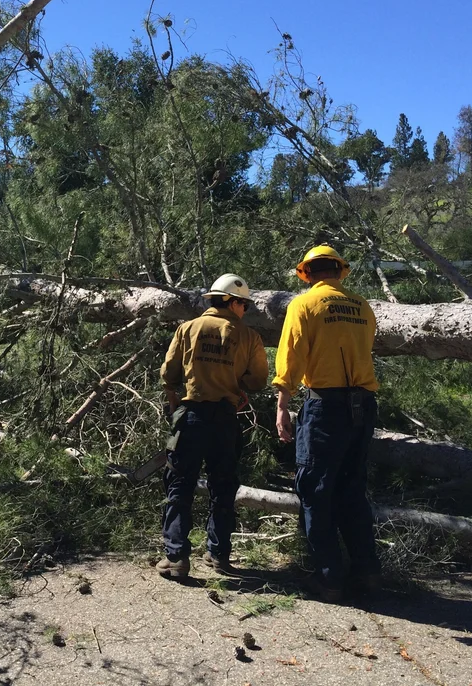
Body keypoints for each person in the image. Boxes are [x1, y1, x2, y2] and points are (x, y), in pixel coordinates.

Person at [273, 245, 381, 602]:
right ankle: (366, 572)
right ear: (339, 271)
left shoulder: (303, 305)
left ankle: (329, 578)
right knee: (352, 488)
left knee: (315, 490)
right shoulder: (362, 307)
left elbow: (291, 356)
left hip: (326, 408)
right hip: (363, 407)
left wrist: (283, 405)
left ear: (307, 273)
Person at [157, 273, 268, 579]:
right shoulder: (249, 337)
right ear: (233, 302)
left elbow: (169, 374)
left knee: (180, 485)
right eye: (243, 304)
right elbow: (258, 380)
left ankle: (176, 557)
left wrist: (175, 402)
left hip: (192, 416)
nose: (244, 310)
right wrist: (236, 384)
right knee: (223, 487)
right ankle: (218, 555)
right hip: (225, 420)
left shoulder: (188, 328)